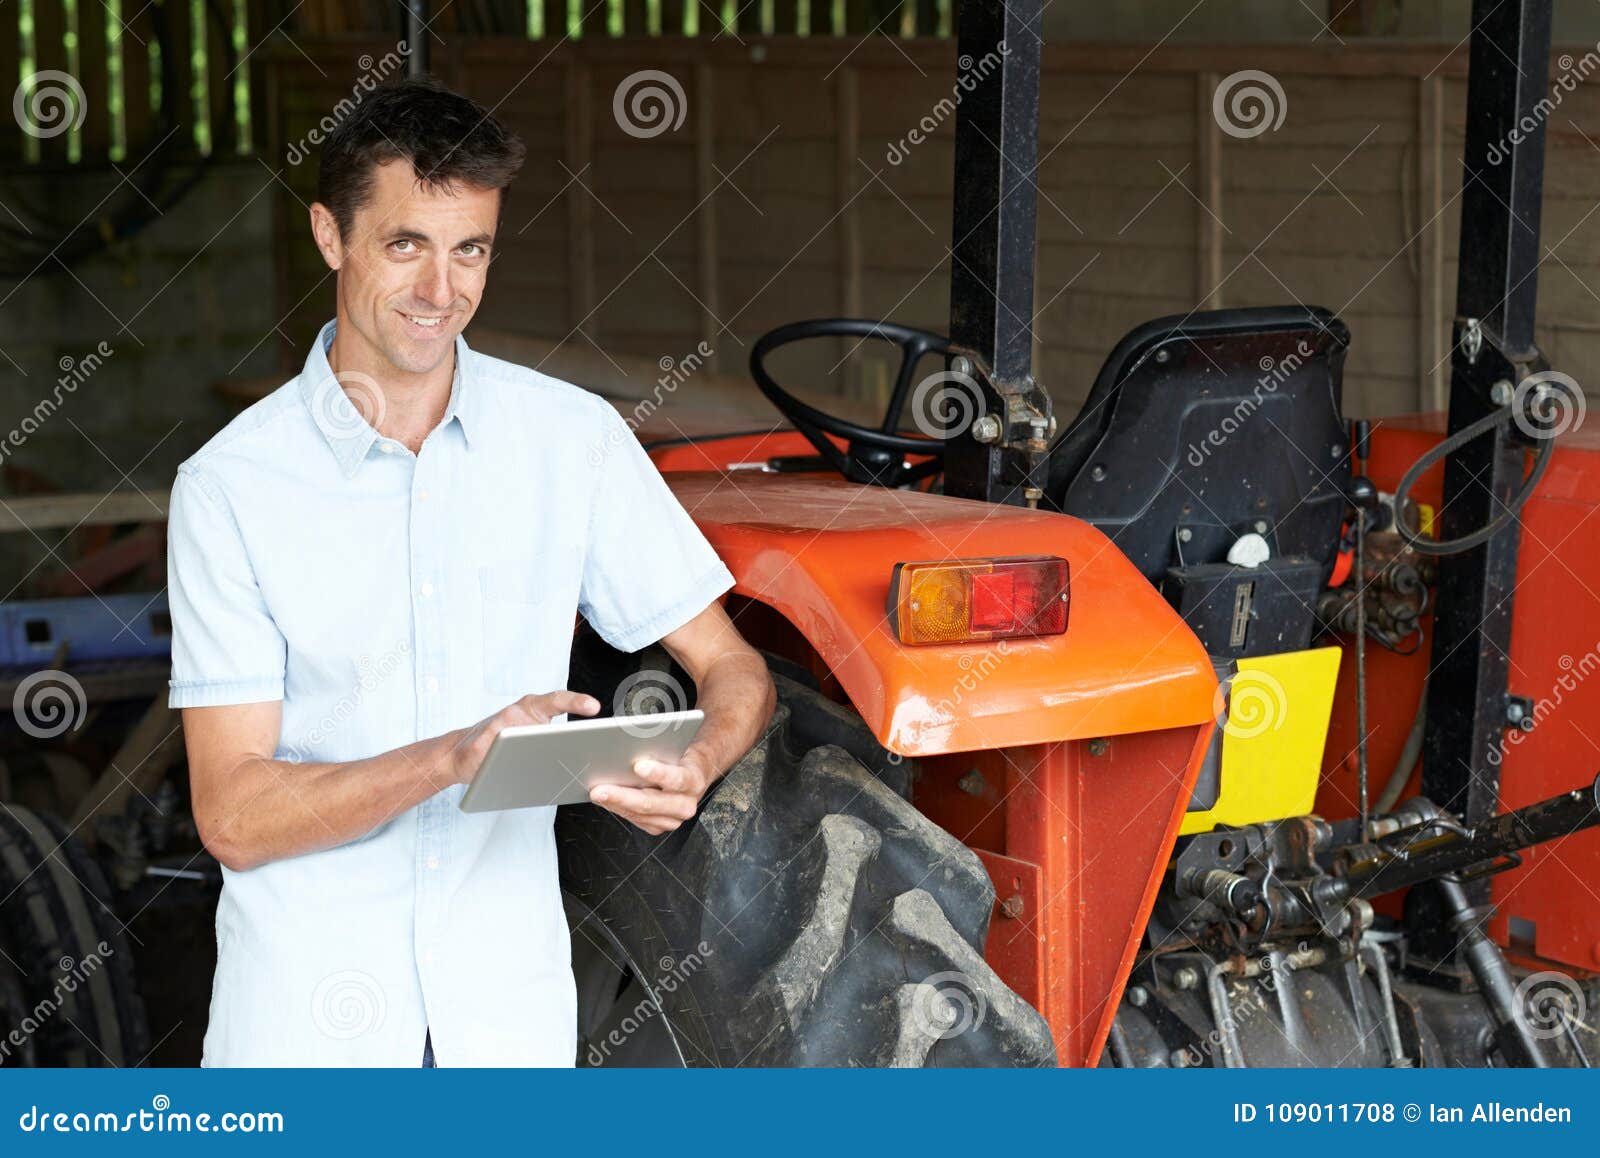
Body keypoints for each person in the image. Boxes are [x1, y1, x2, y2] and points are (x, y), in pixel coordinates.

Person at [167, 79, 774, 1067]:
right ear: (331, 236)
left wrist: (697, 763)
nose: (440, 289)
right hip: (308, 1035)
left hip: (509, 1031)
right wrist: (452, 757)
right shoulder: (233, 487)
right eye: (406, 244)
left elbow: (732, 668)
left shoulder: (569, 440)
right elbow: (232, 817)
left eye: (470, 250)